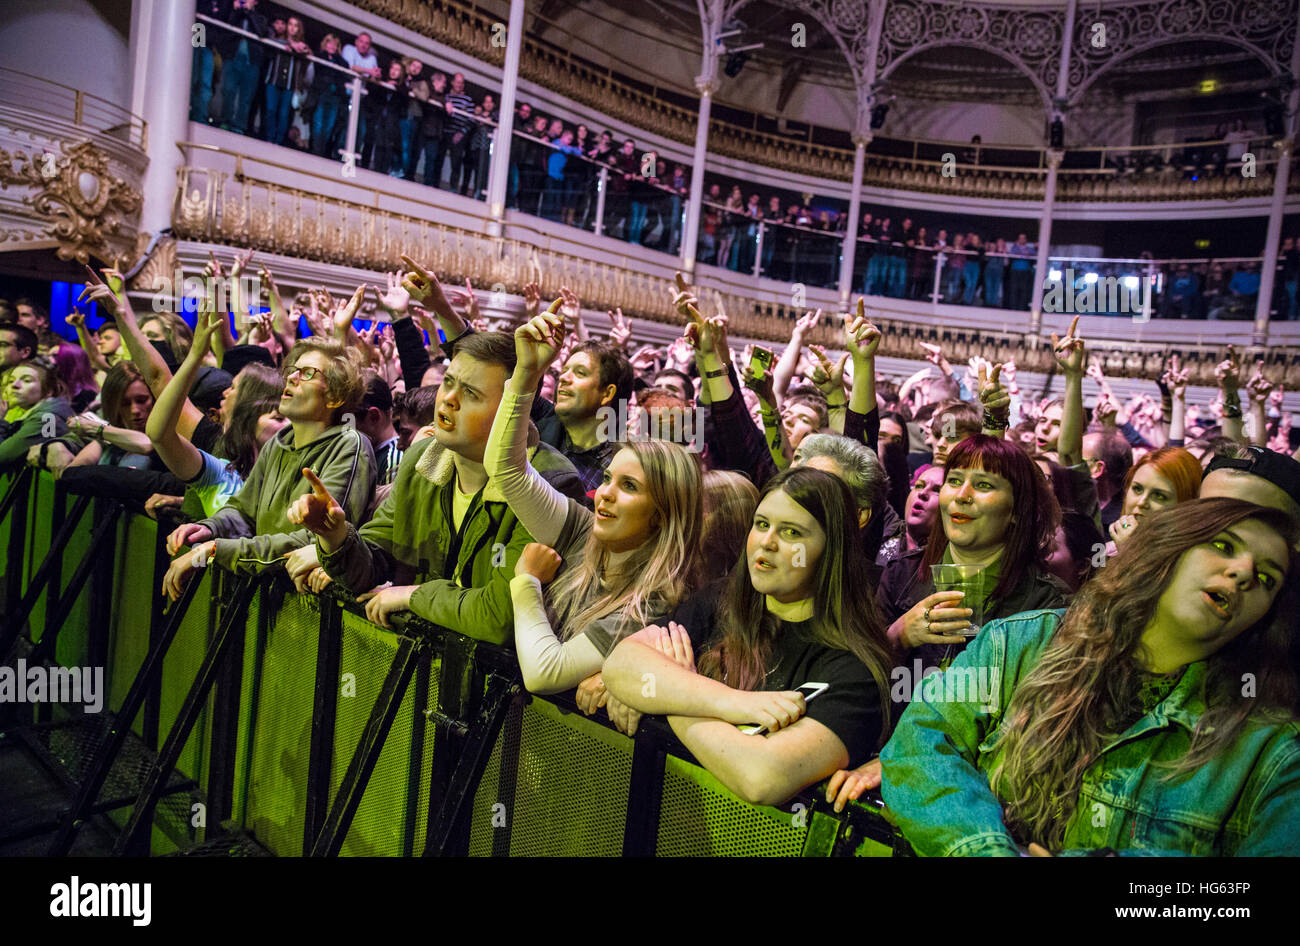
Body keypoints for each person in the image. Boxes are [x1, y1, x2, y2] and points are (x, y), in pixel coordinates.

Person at [878, 498, 1300, 855]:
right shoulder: (1023, 642)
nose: (1244, 572)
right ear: (1168, 546)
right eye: (1224, 545)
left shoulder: (1269, 753)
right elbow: (921, 744)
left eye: (1266, 578)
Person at [602, 467, 894, 806]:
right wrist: (736, 704)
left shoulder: (854, 670)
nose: (767, 542)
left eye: (791, 532)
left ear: (832, 551)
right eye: (762, 524)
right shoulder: (721, 599)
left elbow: (761, 778)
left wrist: (671, 695)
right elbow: (620, 666)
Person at [488, 304, 702, 694]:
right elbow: (506, 471)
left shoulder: (651, 605)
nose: (604, 493)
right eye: (607, 479)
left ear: (662, 514)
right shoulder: (583, 529)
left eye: (630, 487)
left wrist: (526, 583)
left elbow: (545, 673)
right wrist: (526, 372)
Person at [161, 336, 375, 598]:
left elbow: (318, 540)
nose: (292, 378)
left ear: (335, 396)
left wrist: (217, 550)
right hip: (265, 596)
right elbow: (243, 511)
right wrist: (210, 528)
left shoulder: (349, 445)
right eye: (292, 370)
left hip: (308, 605)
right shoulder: (278, 443)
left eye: (307, 373)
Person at [879, 435, 1069, 670]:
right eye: (955, 481)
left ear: (1017, 510)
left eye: (984, 485)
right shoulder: (901, 572)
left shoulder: (1047, 603)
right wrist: (898, 637)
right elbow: (859, 683)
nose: (962, 495)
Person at [1107, 445, 1200, 548]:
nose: (1142, 502)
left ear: (1186, 505)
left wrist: (1131, 550)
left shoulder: (1194, 557)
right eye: (1137, 489)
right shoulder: (1103, 551)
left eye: (1159, 496)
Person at [0, 361, 74, 469]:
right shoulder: (49, 409)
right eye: (11, 381)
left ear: (48, 390)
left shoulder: (47, 418)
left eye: (26, 380)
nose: (14, 385)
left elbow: (2, 457)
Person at [215, 0, 269, 135]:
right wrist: (237, 10)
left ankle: (239, 126)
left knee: (246, 96)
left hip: (252, 61)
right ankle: (226, 120)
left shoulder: (261, 18)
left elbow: (261, 32)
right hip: (233, 56)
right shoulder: (234, 12)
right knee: (228, 90)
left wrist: (250, 13)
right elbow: (227, 24)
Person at [307, 34, 349, 159]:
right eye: (329, 43)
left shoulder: (341, 62)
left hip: (335, 96)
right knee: (318, 123)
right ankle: (315, 150)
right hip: (321, 94)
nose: (332, 46)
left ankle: (322, 151)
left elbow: (344, 72)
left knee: (329, 125)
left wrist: (336, 57)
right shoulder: (319, 57)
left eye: (335, 44)